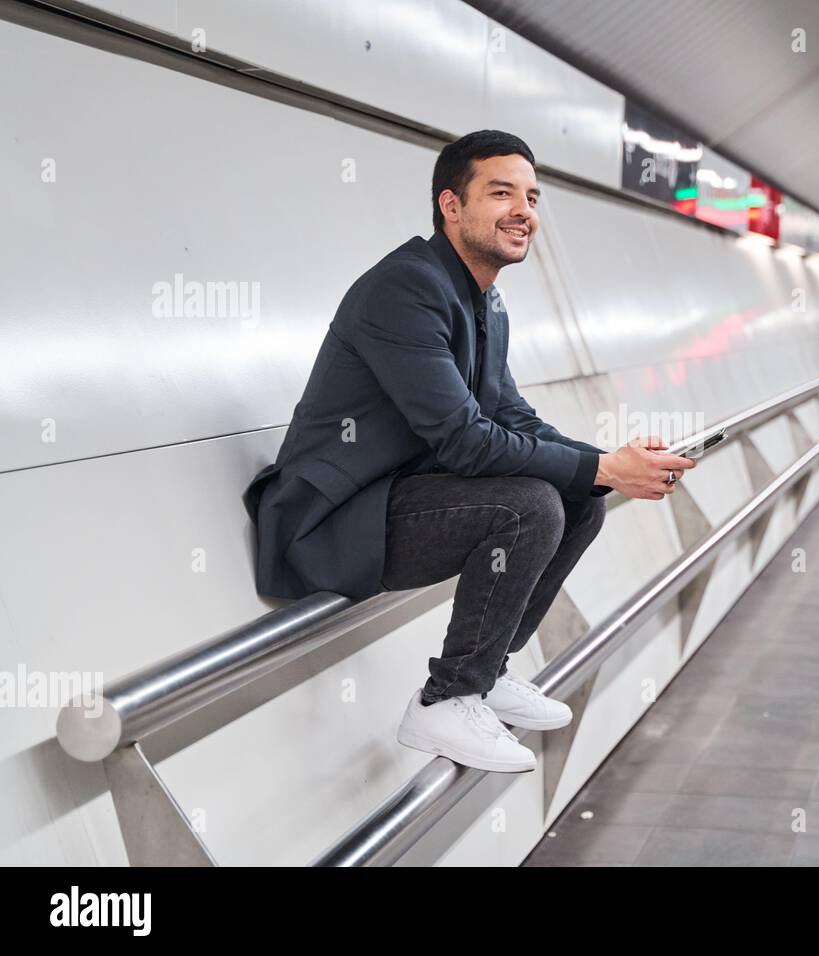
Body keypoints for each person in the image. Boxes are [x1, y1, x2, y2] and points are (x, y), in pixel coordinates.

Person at [242, 130, 695, 773]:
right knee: (532, 506)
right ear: (451, 205)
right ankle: (445, 699)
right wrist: (603, 467)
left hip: (396, 499)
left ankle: (487, 670)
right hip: (330, 520)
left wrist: (608, 465)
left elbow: (509, 415)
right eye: (501, 193)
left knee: (581, 500)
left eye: (532, 198)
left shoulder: (483, 299)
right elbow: (463, 438)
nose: (524, 211)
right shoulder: (406, 289)